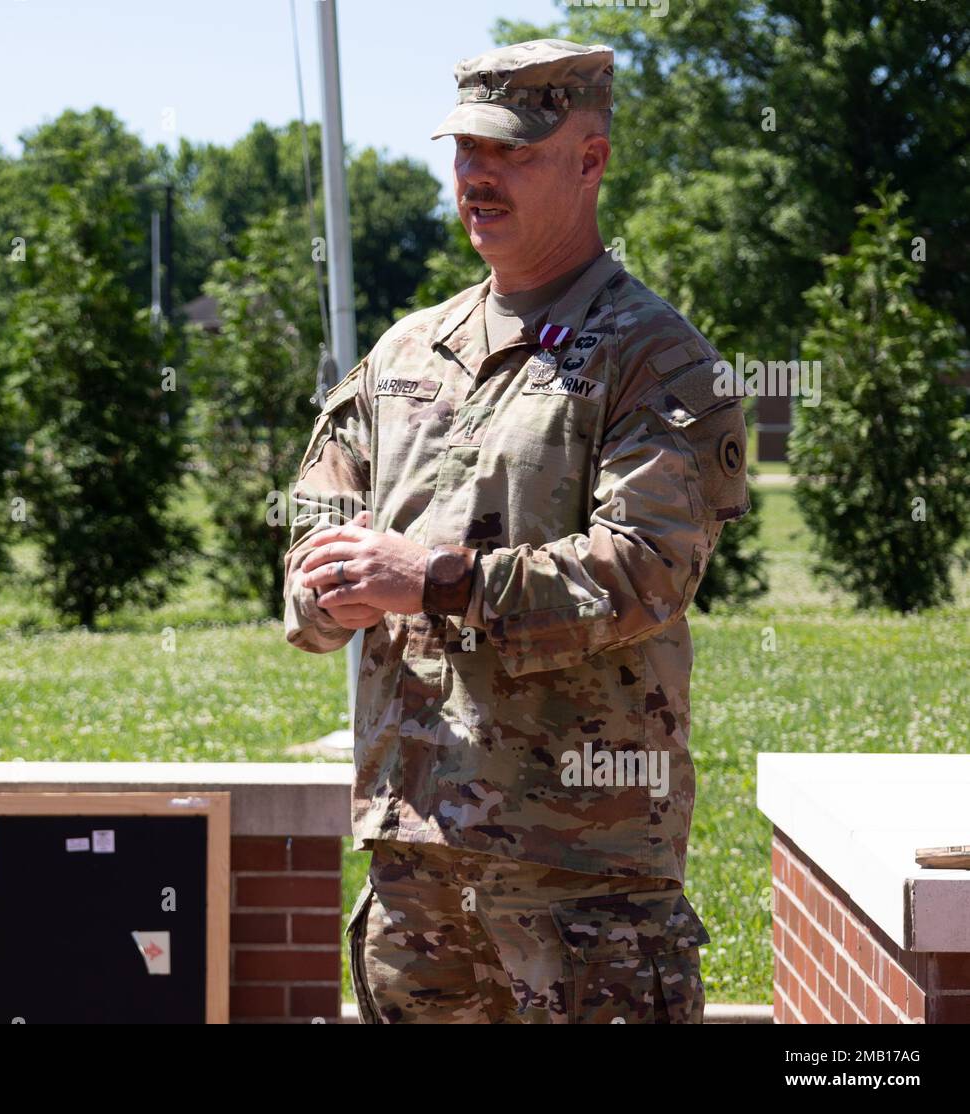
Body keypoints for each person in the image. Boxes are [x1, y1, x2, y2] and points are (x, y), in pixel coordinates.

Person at [283, 38, 750, 1023]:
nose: (476, 176)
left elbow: (643, 571)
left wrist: (437, 578)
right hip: (414, 859)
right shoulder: (404, 354)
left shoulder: (655, 360)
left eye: (510, 152)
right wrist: (324, 590)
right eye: (463, 151)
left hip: (582, 871)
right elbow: (313, 535)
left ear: (590, 159)